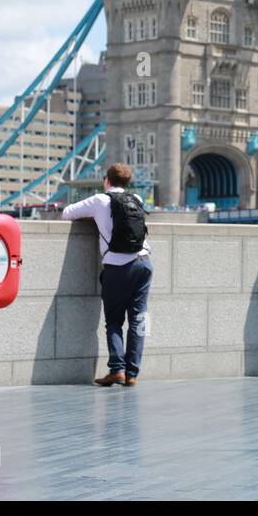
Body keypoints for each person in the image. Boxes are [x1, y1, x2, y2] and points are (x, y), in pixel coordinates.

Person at [60, 163, 152, 387]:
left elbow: (66, 213)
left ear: (107, 181)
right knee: (139, 319)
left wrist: (95, 218)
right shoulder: (137, 199)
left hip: (117, 266)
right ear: (127, 182)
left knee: (113, 321)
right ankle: (132, 374)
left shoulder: (99, 200)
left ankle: (117, 370)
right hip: (144, 263)